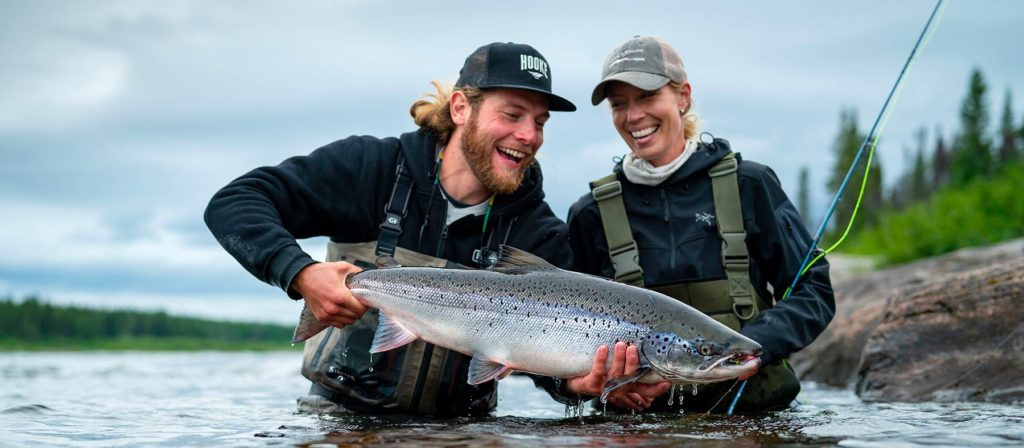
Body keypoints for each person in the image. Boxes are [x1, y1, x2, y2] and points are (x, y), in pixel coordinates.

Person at [204, 41, 644, 416]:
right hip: (340, 421)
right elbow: (235, 203)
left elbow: (549, 371)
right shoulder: (372, 170)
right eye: (512, 115)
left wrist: (576, 385)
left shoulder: (539, 231)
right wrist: (299, 272)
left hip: (462, 433)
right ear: (460, 108)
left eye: (540, 122)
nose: (529, 135)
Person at [567, 36, 836, 413]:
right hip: (637, 429)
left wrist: (749, 348)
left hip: (753, 417)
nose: (633, 116)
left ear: (683, 97)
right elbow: (565, 336)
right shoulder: (590, 214)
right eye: (619, 104)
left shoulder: (749, 185)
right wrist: (598, 385)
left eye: (647, 96)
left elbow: (814, 290)